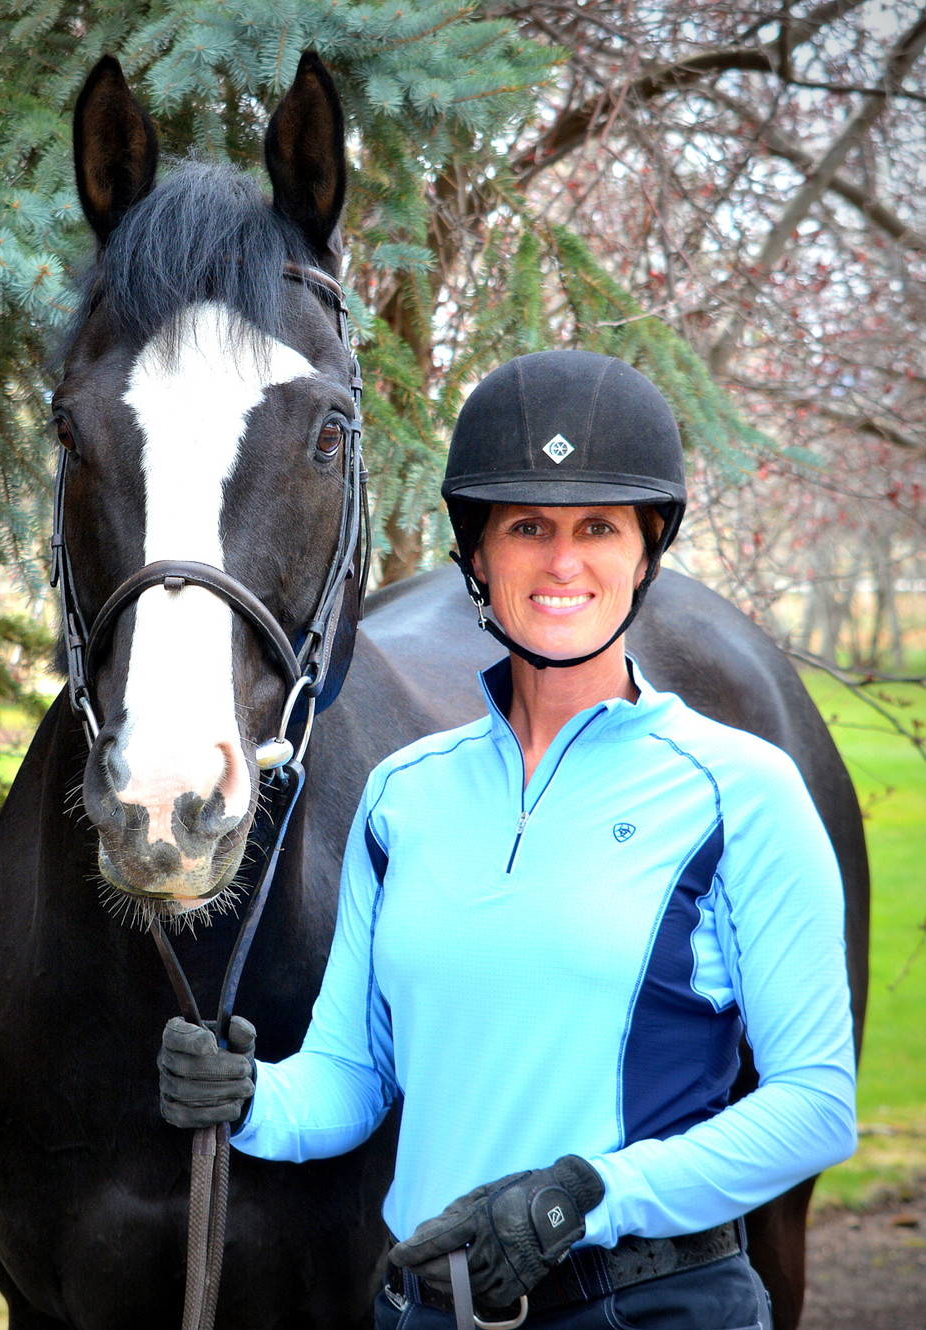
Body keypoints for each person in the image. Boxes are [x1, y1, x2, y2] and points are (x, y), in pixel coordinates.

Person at [158, 350, 857, 1329]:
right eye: (527, 526)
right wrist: (248, 1100)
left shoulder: (741, 791)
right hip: (425, 1308)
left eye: (598, 528)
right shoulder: (405, 796)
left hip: (647, 1304)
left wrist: (587, 1192)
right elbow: (351, 1082)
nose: (562, 561)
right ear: (476, 554)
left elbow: (815, 1104)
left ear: (646, 552)